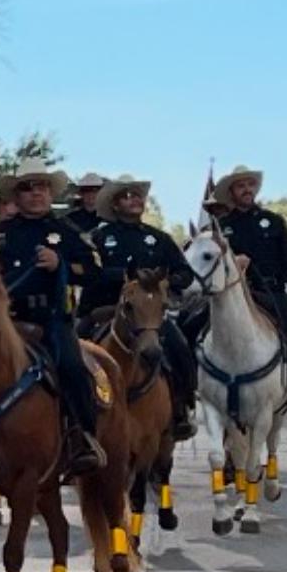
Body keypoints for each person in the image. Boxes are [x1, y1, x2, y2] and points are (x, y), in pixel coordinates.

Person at [0, 159, 105, 476]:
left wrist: (61, 265)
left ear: (49, 191)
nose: (35, 194)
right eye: (27, 188)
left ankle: (84, 438)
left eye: (41, 187)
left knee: (72, 367)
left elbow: (94, 272)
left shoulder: (65, 232)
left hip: (51, 319)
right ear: (17, 195)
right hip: (8, 321)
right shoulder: (0, 234)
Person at [78, 174, 198, 439]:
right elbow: (86, 272)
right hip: (105, 310)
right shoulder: (98, 237)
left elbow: (185, 274)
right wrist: (120, 277)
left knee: (180, 348)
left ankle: (181, 408)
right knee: (71, 345)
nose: (134, 200)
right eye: (127, 196)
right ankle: (73, 416)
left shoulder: (159, 239)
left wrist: (167, 281)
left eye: (137, 196)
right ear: (115, 204)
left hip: (149, 315)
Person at [209, 165, 287, 415]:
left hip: (271, 292)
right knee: (192, 327)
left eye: (250, 185)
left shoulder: (273, 221)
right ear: (231, 192)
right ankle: (195, 390)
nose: (247, 190)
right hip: (234, 294)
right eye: (241, 186)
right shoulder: (222, 227)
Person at [62, 172, 106, 238]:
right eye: (86, 190)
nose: (91, 194)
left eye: (95, 190)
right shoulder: (70, 219)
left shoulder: (109, 218)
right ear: (81, 193)